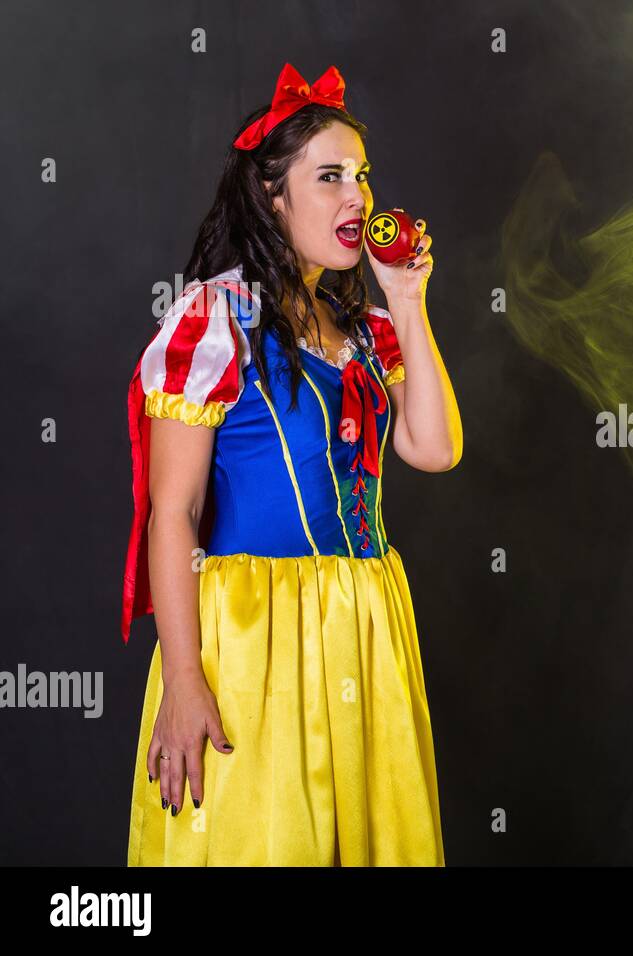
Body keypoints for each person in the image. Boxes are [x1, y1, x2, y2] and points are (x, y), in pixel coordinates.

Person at [120, 63, 463, 865]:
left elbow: (435, 449)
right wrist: (183, 682)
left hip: (367, 623)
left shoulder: (369, 332)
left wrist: (409, 305)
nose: (358, 198)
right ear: (274, 198)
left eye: (363, 177)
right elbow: (169, 513)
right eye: (331, 178)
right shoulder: (215, 318)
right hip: (252, 637)